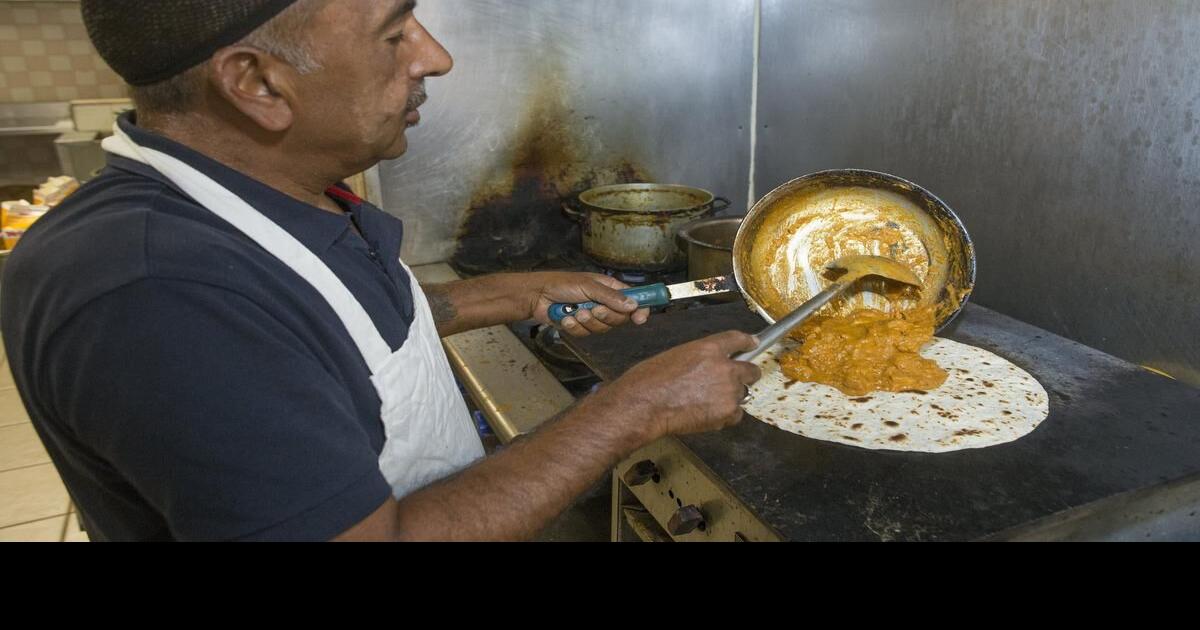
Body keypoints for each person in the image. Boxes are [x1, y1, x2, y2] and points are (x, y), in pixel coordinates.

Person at [0, 0, 761, 541]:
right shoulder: (158, 295)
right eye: (395, 32)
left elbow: (318, 330)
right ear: (258, 84)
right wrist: (636, 408)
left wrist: (500, 295)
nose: (436, 56)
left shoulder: (254, 201)